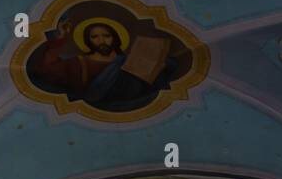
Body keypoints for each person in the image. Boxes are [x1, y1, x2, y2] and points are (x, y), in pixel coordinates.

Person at [34, 15, 176, 111]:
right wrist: (60, 39)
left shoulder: (130, 61)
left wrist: (160, 64)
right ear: (88, 40)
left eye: (106, 36)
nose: (101, 40)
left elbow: (156, 83)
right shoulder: (78, 63)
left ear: (115, 38)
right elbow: (47, 71)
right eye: (95, 37)